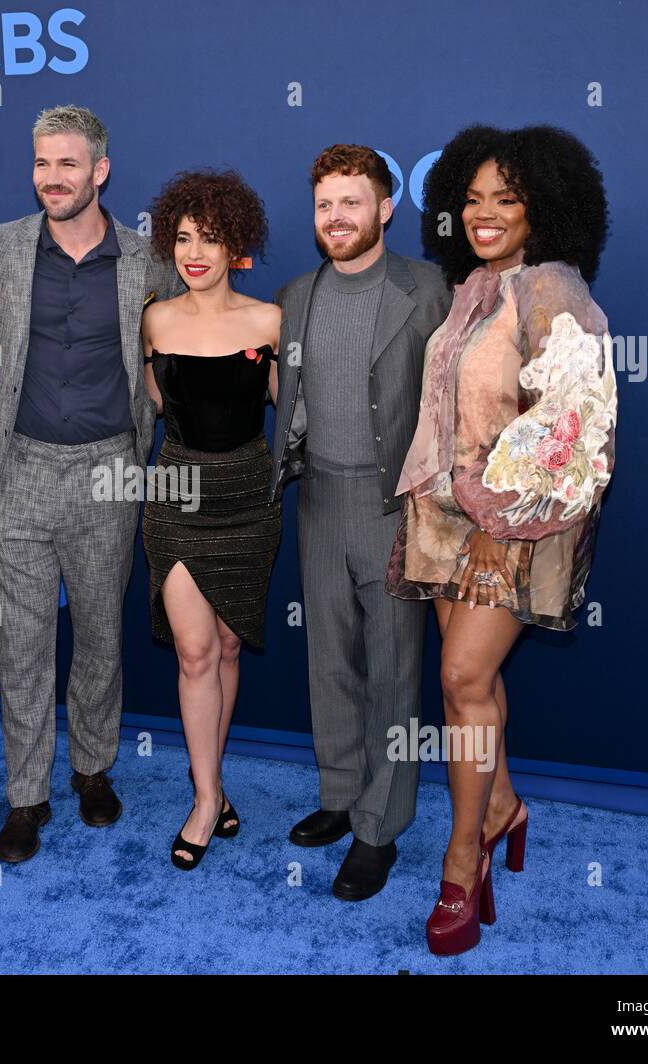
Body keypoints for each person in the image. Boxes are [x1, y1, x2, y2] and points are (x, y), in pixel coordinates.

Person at [386, 124, 616, 955]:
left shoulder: (551, 286)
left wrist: (500, 526)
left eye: (506, 200)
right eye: (471, 199)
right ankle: (506, 807)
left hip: (513, 525)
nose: (484, 215)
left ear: (543, 209)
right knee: (465, 693)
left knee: (459, 676)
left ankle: (462, 861)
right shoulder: (475, 286)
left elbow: (573, 425)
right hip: (447, 521)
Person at [0, 105, 185, 863]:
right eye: (41, 164)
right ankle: (26, 796)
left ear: (100, 170)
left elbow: (179, 349)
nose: (52, 179)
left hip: (109, 473)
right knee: (23, 646)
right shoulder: (0, 247)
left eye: (68, 164)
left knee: (100, 632)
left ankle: (92, 769)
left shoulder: (146, 261)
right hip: (23, 469)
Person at [269, 144, 452, 901]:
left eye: (352, 202)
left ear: (384, 208)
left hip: (395, 506)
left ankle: (380, 826)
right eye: (324, 205)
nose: (336, 217)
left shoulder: (428, 289)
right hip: (317, 499)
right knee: (329, 662)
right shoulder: (292, 297)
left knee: (394, 670)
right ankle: (341, 796)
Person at [140, 169, 282, 870]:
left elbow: (293, 409)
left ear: (237, 247)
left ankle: (214, 785)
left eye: (211, 239)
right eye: (184, 238)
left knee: (227, 650)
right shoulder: (155, 320)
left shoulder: (269, 321)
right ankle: (203, 801)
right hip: (178, 500)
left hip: (249, 500)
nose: (195, 252)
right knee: (196, 652)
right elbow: (154, 406)